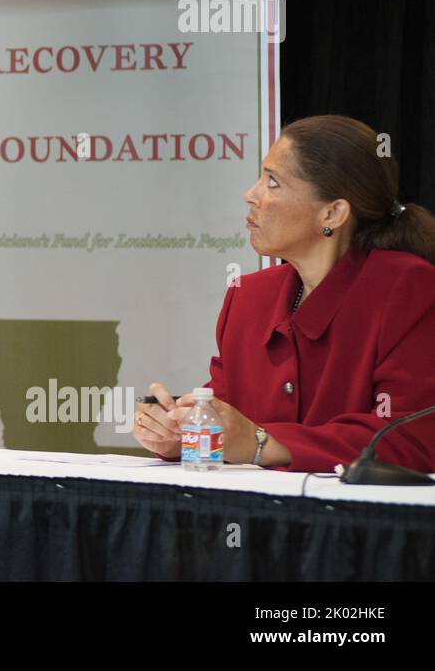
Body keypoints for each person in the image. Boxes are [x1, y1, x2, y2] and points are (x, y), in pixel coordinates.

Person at [134, 115, 435, 473]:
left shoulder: (406, 286)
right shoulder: (249, 296)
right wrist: (179, 430)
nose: (251, 194)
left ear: (333, 212)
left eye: (272, 182)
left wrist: (261, 442)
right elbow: (226, 410)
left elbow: (411, 436)